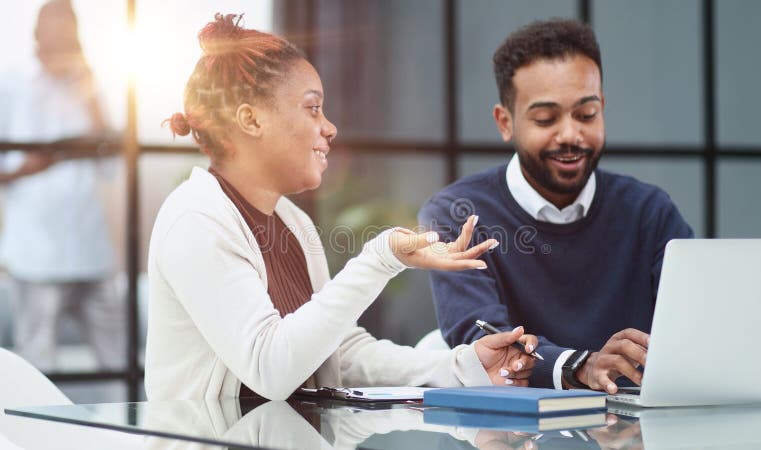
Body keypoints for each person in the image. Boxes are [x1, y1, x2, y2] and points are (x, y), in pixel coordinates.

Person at [146, 13, 539, 401]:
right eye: (312, 108)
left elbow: (338, 354)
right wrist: (380, 259)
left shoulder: (293, 221)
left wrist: (463, 367)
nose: (329, 127)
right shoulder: (196, 218)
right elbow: (270, 368)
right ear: (251, 119)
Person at [418, 19, 693, 394]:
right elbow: (482, 343)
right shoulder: (457, 215)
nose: (570, 135)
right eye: (546, 119)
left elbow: (699, 329)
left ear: (603, 107)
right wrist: (580, 366)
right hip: (513, 426)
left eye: (587, 114)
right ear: (505, 122)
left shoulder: (650, 212)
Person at [0, 0, 123, 371]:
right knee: (37, 368)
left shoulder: (90, 87)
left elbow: (111, 166)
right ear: (37, 35)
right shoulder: (11, 85)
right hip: (36, 257)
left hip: (90, 252)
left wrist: (89, 89)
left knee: (119, 364)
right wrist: (29, 169)